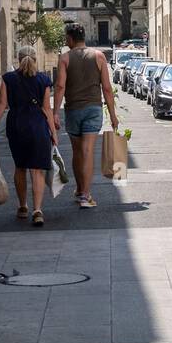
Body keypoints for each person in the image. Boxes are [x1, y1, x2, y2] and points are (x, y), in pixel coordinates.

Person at [52, 22, 118, 208]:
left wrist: (55, 112)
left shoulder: (64, 58)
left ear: (71, 39)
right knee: (88, 151)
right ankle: (85, 195)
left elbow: (60, 87)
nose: (66, 41)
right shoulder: (99, 56)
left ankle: (81, 189)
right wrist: (113, 115)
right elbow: (106, 87)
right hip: (93, 109)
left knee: (77, 152)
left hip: (73, 109)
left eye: (66, 38)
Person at [0, 45, 57, 226]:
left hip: (16, 125)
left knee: (20, 167)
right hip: (37, 125)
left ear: (18, 59)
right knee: (37, 169)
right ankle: (38, 209)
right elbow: (46, 109)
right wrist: (54, 132)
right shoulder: (43, 79)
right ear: (36, 59)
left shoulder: (8, 78)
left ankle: (22, 206)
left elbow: (2, 104)